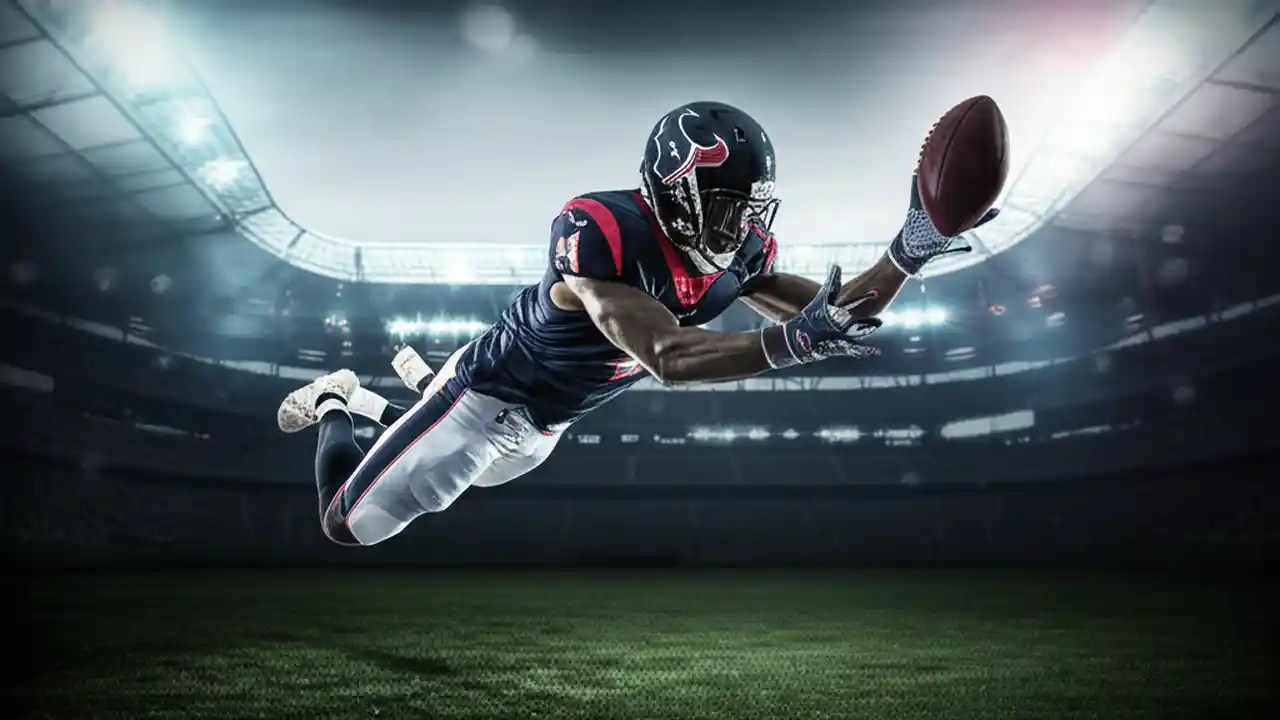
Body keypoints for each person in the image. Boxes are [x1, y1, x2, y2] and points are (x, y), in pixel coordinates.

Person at [276, 101, 998, 546]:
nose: (744, 225)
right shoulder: (601, 230)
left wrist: (909, 252)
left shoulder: (741, 246)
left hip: (547, 426)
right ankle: (340, 400)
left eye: (752, 208)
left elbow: (830, 314)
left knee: (478, 480)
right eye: (728, 207)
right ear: (676, 193)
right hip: (485, 397)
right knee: (352, 525)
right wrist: (791, 343)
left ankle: (386, 402)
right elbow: (669, 355)